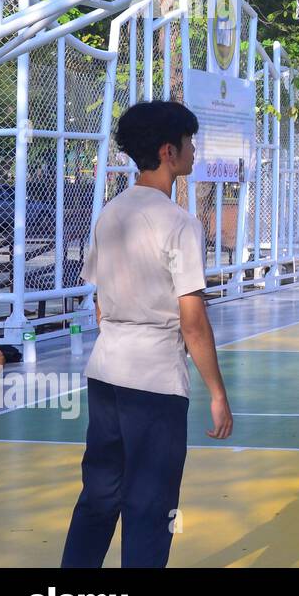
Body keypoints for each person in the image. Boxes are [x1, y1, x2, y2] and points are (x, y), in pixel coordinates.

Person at [63, 101, 233, 568]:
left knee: (99, 497)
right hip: (155, 382)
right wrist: (217, 391)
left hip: (106, 371)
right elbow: (192, 318)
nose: (194, 151)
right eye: (189, 142)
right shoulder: (179, 223)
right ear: (168, 152)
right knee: (151, 507)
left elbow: (99, 302)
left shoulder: (110, 213)